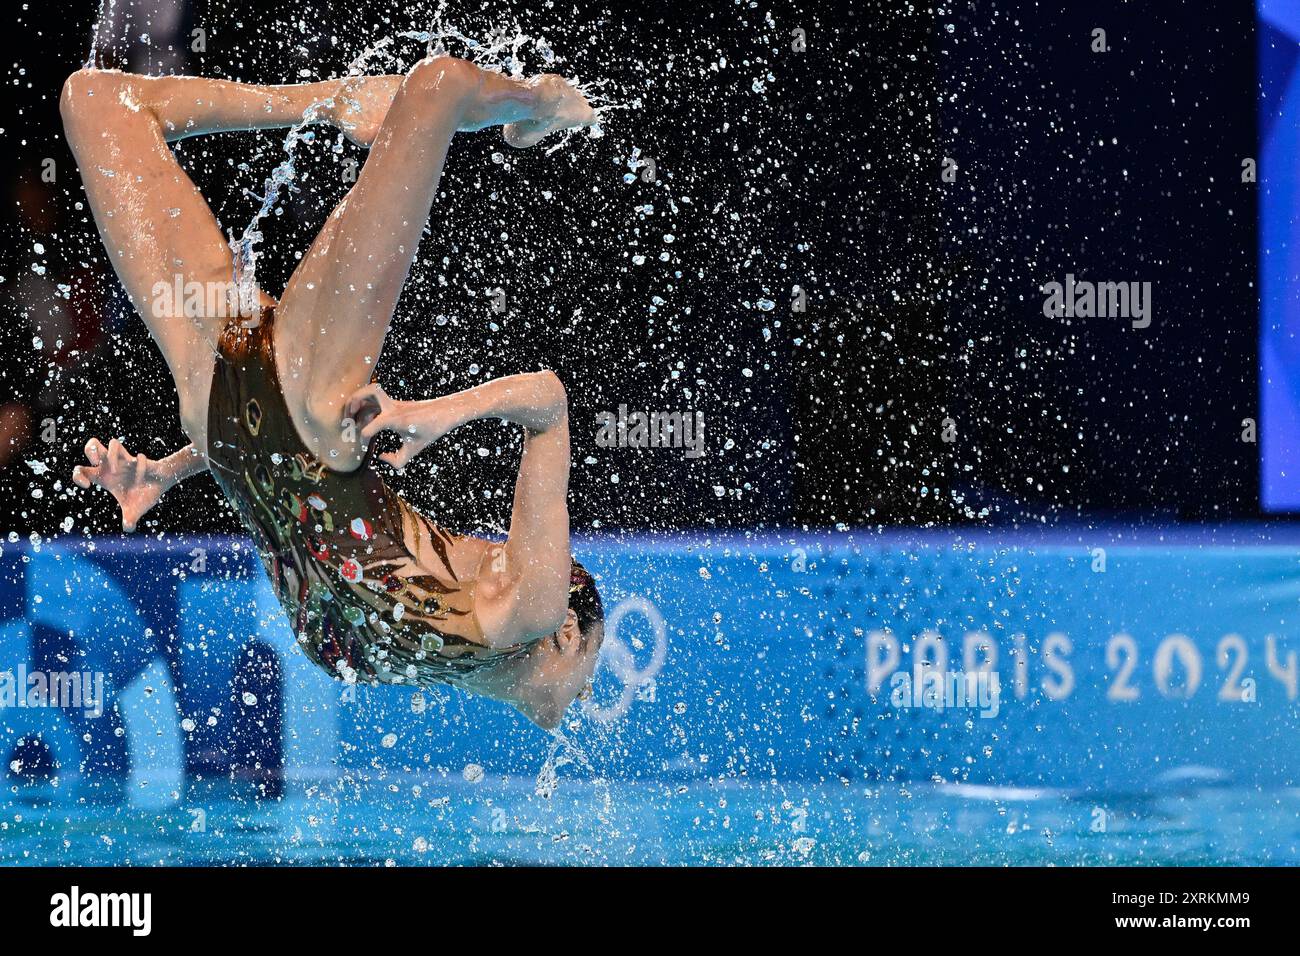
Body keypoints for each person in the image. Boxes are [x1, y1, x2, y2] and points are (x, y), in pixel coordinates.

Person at [58, 55, 604, 729]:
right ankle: (541, 100)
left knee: (92, 102)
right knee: (436, 89)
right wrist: (430, 415)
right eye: (587, 680)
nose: (579, 703)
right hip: (317, 418)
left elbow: (299, 515)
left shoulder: (424, 655)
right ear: (569, 638)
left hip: (220, 424)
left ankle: (332, 99)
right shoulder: (530, 610)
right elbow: (548, 402)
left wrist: (167, 470)